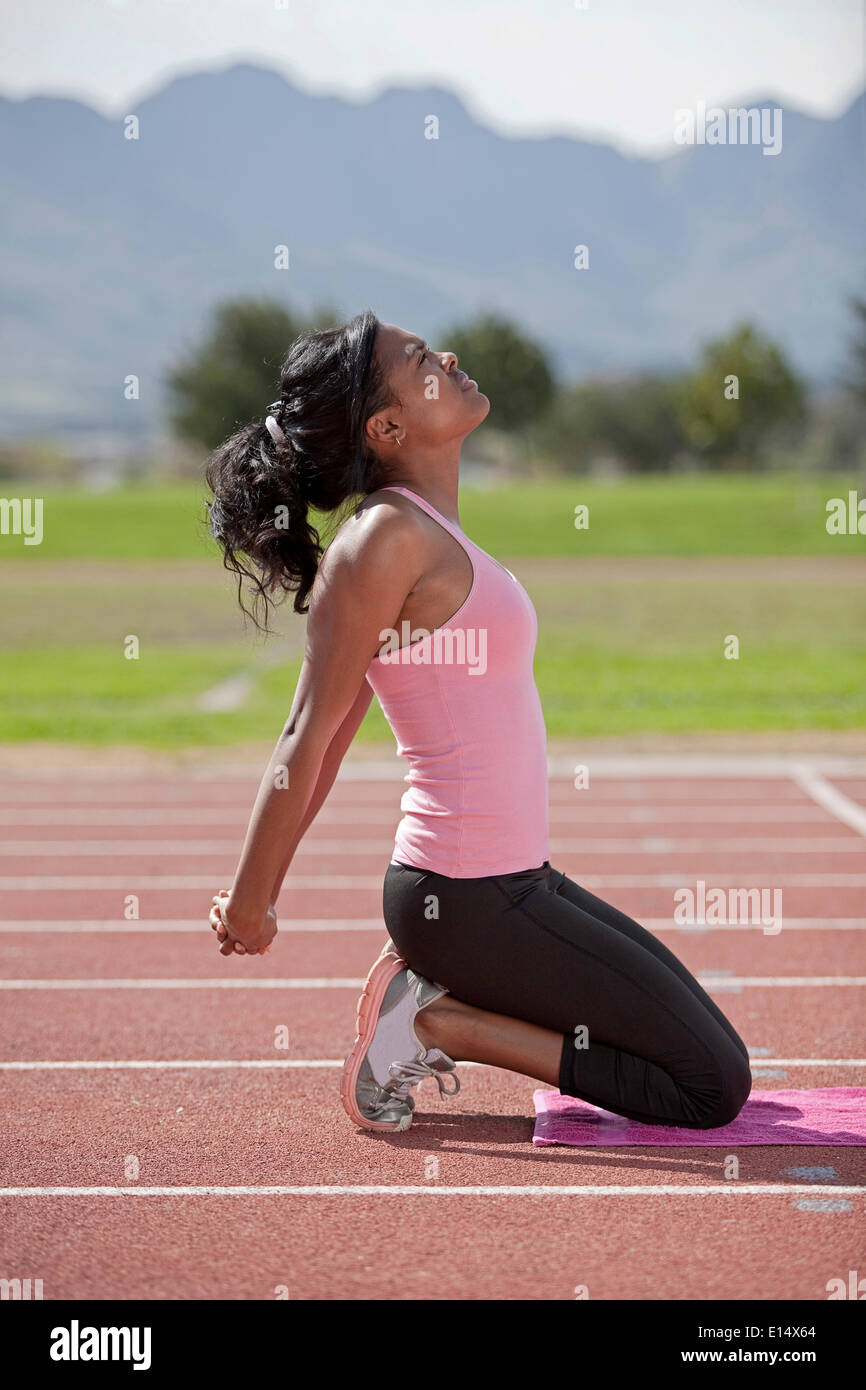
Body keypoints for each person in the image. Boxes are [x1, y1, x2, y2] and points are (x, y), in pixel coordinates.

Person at [206, 309, 752, 1134]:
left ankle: (435, 1008)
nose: (448, 355)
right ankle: (437, 1022)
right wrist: (254, 903)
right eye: (420, 358)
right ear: (387, 426)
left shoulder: (429, 532)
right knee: (711, 1087)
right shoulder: (381, 542)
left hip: (514, 883)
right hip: (463, 898)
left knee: (709, 1054)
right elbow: (310, 741)